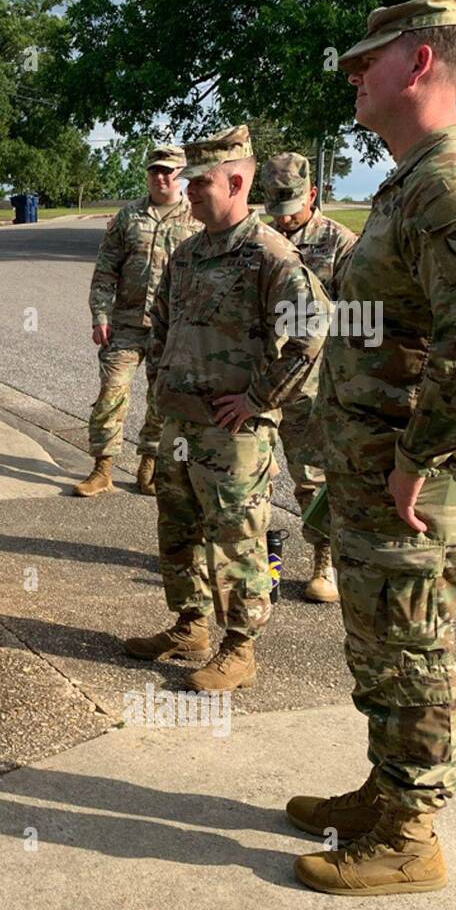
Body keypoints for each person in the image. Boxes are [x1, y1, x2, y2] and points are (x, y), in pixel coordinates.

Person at [289, 0, 456, 896]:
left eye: (367, 59)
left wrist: (418, 457)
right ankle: (388, 796)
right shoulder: (411, 178)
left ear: (419, 62)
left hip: (410, 479)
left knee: (413, 651)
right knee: (383, 647)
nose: (353, 73)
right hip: (374, 466)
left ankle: (412, 837)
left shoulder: (452, 183)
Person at [124, 125, 329, 691]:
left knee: (238, 536)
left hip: (233, 433)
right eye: (187, 180)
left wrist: (260, 399)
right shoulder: (188, 254)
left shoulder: (269, 254)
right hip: (180, 423)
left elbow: (312, 331)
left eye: (202, 181)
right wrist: (165, 383)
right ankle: (190, 626)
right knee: (179, 529)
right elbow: (162, 325)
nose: (189, 190)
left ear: (237, 181)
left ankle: (240, 648)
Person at [258, 152, 359, 603]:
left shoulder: (340, 244)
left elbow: (364, 321)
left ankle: (326, 559)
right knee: (246, 469)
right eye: (274, 208)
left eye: (291, 208)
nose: (283, 219)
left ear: (313, 194)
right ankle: (247, 556)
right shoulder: (255, 238)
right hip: (258, 378)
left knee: (311, 476)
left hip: (311, 384)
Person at [75, 145, 199, 497]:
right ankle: (102, 468)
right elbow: (105, 272)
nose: (161, 177)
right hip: (126, 325)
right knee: (111, 394)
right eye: (155, 170)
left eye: (169, 171)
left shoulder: (196, 218)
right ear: (147, 174)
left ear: (181, 176)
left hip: (172, 328)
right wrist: (100, 314)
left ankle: (150, 465)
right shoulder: (128, 217)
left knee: (162, 400)